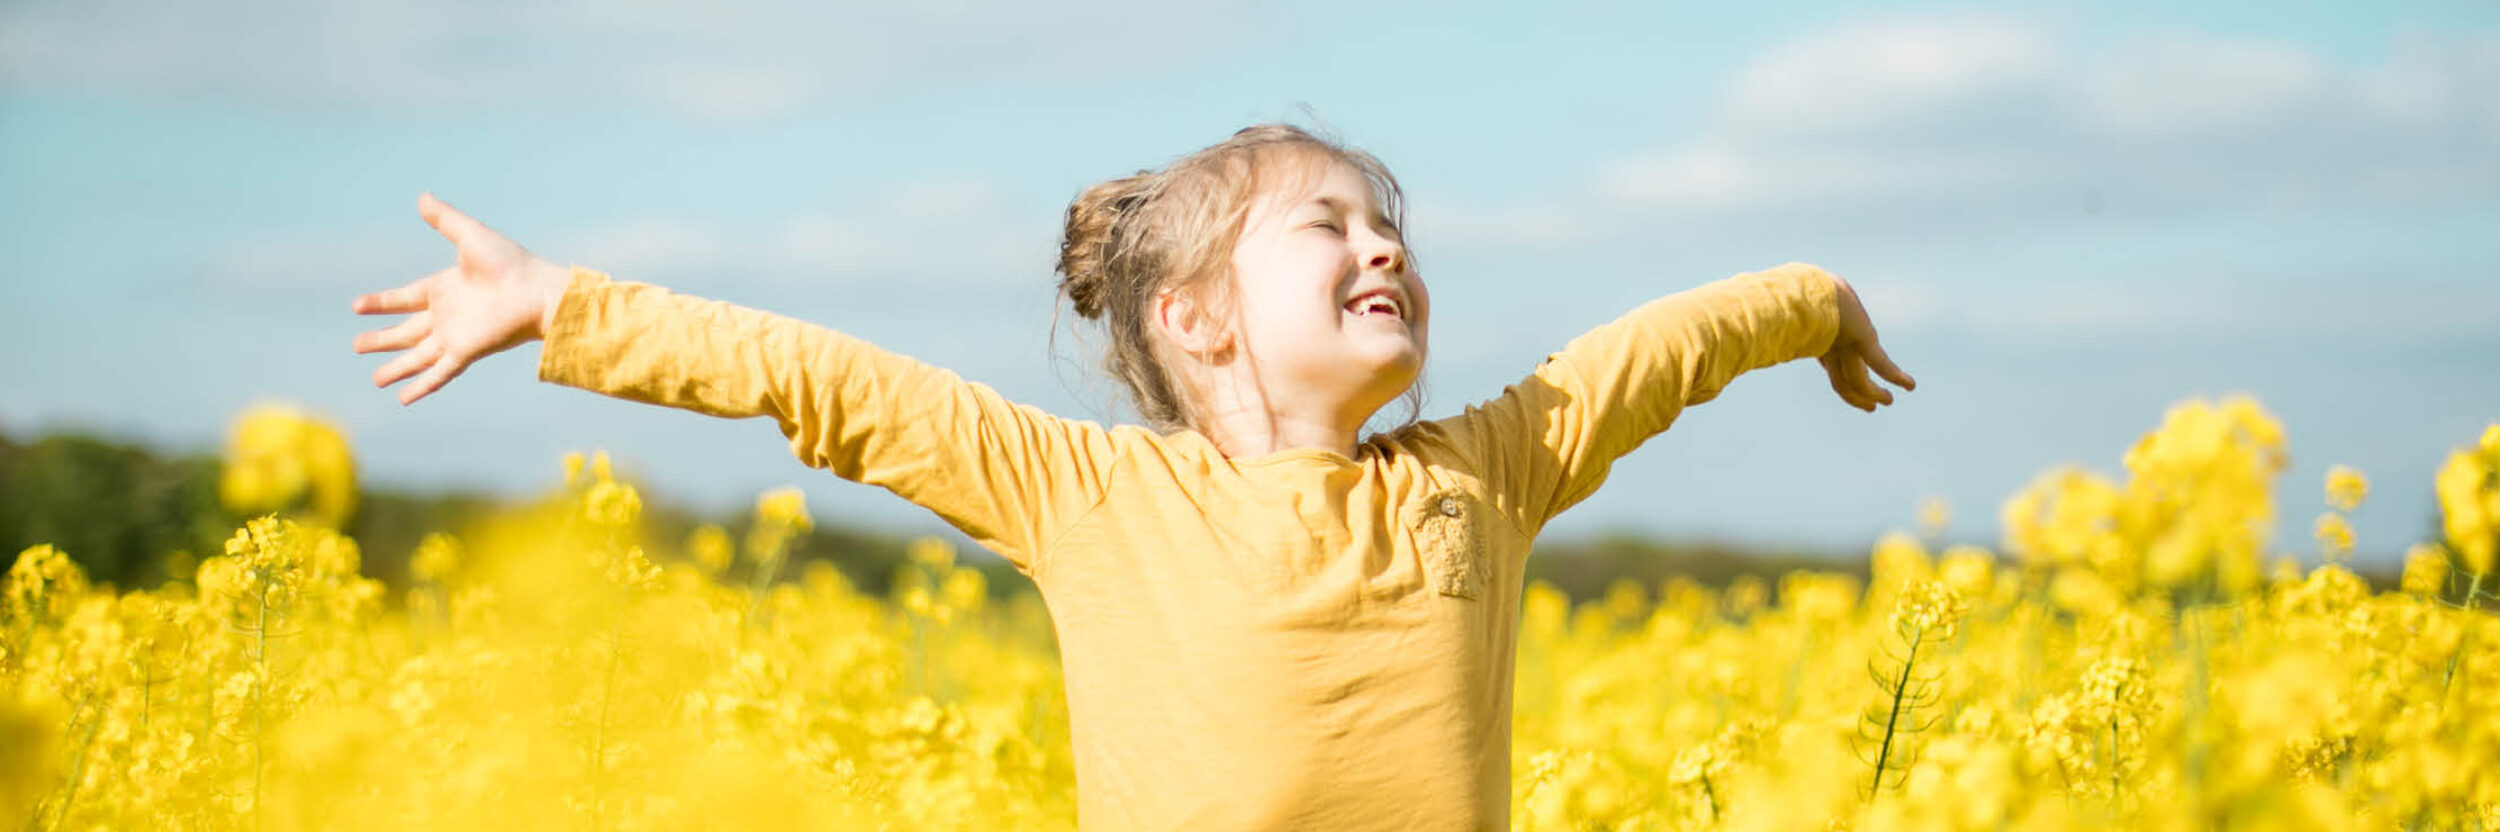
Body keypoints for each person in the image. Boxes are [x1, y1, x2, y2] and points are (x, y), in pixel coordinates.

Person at [350, 123, 1914, 830]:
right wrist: (567, 305)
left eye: (1393, 230)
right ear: (1196, 317)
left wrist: (1813, 299)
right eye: (1328, 227)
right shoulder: (1087, 494)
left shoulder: (1484, 472)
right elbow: (828, 387)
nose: (1383, 247)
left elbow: (1653, 353)